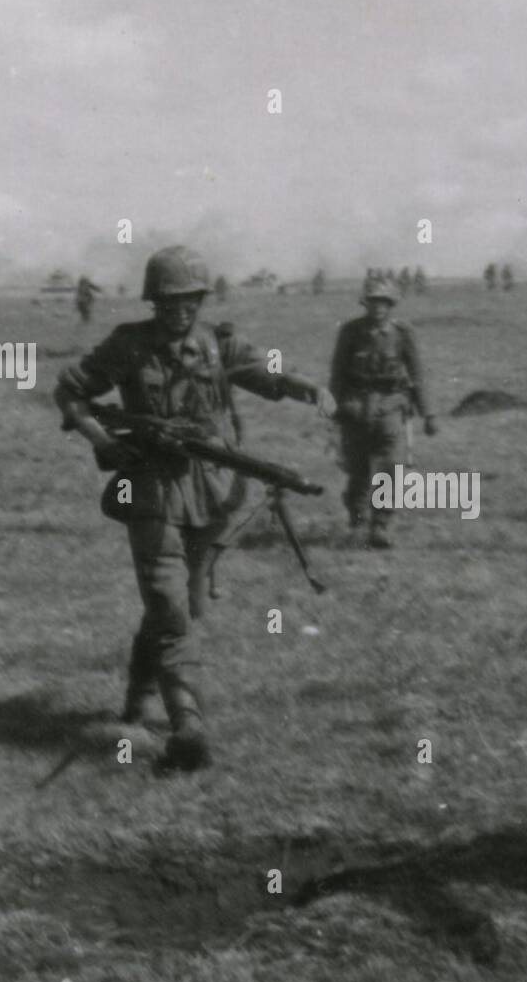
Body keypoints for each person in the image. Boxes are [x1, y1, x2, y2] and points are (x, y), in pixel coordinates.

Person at [53, 245, 334, 770]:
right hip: (152, 490)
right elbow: (70, 392)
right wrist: (103, 440)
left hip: (212, 491)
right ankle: (187, 722)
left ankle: (137, 700)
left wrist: (308, 388)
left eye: (191, 299)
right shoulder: (129, 345)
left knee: (179, 602)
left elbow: (265, 373)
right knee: (169, 603)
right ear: (154, 300)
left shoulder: (215, 344)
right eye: (171, 299)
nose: (182, 308)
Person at [329, 275, 436, 548]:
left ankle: (381, 526)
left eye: (383, 302)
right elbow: (338, 373)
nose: (378, 307)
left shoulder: (403, 334)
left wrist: (428, 413)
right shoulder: (351, 332)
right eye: (373, 302)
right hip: (356, 407)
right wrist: (333, 409)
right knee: (358, 470)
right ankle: (357, 515)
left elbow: (418, 374)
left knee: (390, 469)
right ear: (365, 303)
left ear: (391, 305)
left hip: (391, 406)